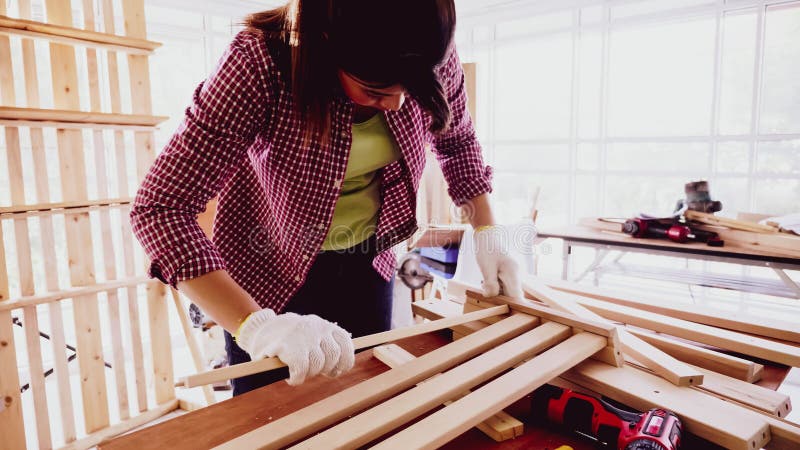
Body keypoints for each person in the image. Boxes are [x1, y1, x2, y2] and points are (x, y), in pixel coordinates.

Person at [130, 0, 522, 396]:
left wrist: (487, 229)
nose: (398, 104)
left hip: (367, 264)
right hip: (265, 275)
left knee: (364, 402)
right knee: (272, 418)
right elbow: (160, 208)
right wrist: (257, 327)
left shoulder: (423, 49)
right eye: (374, 90)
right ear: (325, 42)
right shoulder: (258, 64)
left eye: (410, 89)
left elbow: (457, 144)